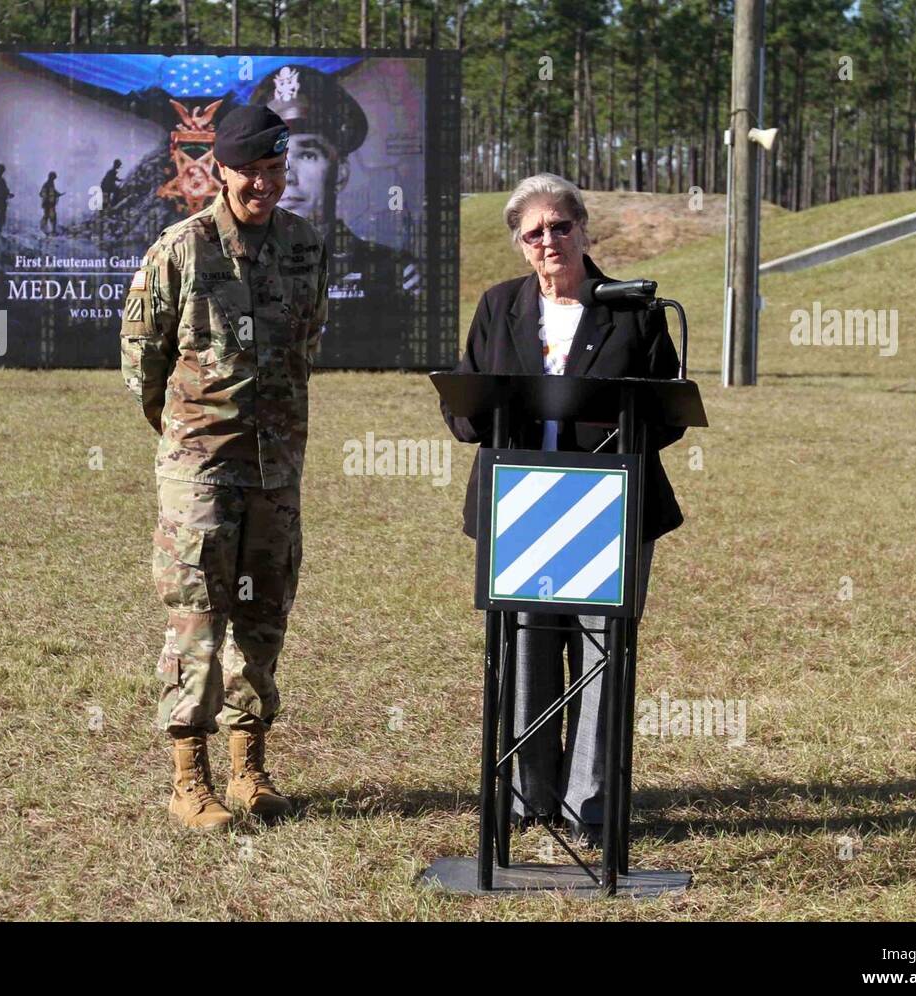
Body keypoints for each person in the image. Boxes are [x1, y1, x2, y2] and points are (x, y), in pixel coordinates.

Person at [439, 172, 686, 847]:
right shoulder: (498, 306)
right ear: (520, 245)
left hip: (613, 504)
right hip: (522, 504)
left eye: (561, 226)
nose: (550, 240)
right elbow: (467, 404)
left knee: (603, 653)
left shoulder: (635, 311)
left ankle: (591, 804)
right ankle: (528, 795)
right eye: (534, 232)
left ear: (584, 229)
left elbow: (668, 414)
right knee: (527, 646)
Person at [120, 104, 328, 831]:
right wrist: (187, 434)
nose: (264, 186)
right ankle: (188, 780)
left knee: (263, 621)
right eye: (250, 172)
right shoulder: (182, 247)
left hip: (276, 469)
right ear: (222, 172)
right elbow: (143, 361)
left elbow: (306, 343)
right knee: (199, 621)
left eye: (275, 171)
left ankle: (248, 769)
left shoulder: (306, 246)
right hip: (202, 468)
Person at [249, 64, 420, 365]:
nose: (289, 176)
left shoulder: (390, 272)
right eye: (277, 157)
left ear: (339, 173)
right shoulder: (230, 264)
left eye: (308, 154)